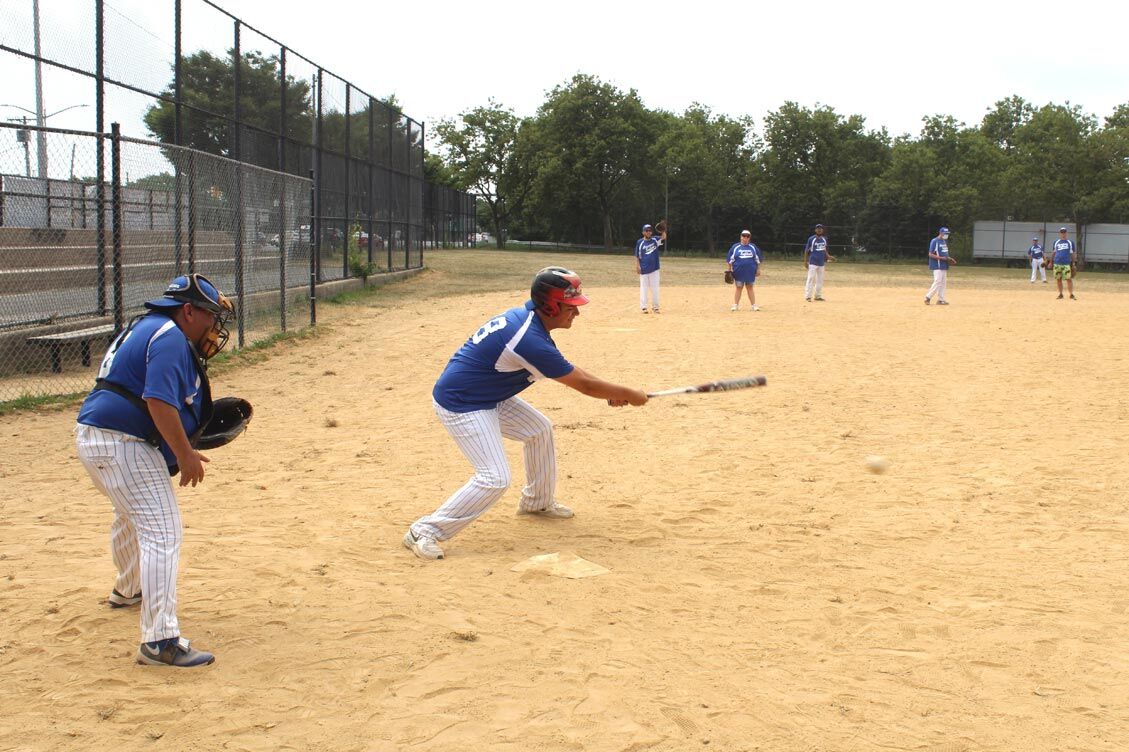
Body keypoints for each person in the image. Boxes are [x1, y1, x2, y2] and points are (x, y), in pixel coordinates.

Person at [403, 267, 649, 560]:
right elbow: (583, 384)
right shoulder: (528, 339)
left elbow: (577, 373)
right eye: (571, 308)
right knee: (494, 478)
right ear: (551, 306)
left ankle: (537, 502)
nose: (577, 314)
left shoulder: (530, 323)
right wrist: (628, 393)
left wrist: (613, 392)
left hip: (486, 394)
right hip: (463, 403)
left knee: (538, 429)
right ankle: (424, 531)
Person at [74, 273, 235, 668]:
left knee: (130, 515)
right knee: (163, 530)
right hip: (121, 442)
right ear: (188, 311)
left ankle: (128, 589)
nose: (215, 327)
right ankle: (160, 640)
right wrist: (186, 454)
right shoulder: (170, 337)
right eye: (211, 317)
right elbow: (158, 402)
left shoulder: (146, 326)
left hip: (94, 435)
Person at [726, 230, 763, 311]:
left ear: (749, 238)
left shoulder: (753, 247)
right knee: (739, 287)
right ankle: (735, 305)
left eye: (747, 236)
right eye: (743, 236)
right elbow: (729, 260)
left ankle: (753, 305)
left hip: (750, 272)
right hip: (738, 271)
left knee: (750, 287)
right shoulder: (735, 247)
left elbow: (758, 260)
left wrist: (758, 269)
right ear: (740, 237)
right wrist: (729, 271)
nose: (745, 238)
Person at [634, 223, 665, 313]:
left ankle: (655, 307)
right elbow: (637, 255)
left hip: (654, 269)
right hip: (644, 269)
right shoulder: (640, 242)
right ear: (643, 232)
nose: (648, 232)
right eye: (646, 230)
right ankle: (644, 307)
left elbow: (664, 237)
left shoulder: (655, 240)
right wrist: (637, 266)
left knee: (655, 289)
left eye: (650, 230)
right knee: (644, 288)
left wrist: (663, 231)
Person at [802, 223, 836, 301]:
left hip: (821, 263)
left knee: (820, 280)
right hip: (813, 262)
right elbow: (806, 251)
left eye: (820, 228)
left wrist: (829, 256)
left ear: (822, 230)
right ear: (815, 230)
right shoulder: (811, 239)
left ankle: (818, 296)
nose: (819, 229)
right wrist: (805, 261)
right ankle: (808, 296)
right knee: (810, 279)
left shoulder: (824, 239)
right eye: (817, 228)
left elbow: (824, 250)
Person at [923, 226, 957, 305]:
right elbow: (930, 254)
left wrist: (950, 259)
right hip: (937, 265)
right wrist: (942, 258)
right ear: (940, 233)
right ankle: (928, 297)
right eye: (945, 233)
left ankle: (940, 300)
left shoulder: (944, 241)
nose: (946, 235)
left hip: (944, 265)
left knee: (943, 283)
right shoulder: (934, 241)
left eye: (947, 234)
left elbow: (944, 253)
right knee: (938, 281)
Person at [1050, 226, 1077, 300]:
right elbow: (1054, 253)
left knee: (1069, 279)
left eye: (1064, 232)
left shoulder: (1070, 242)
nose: (1063, 234)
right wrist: (1051, 262)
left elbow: (1073, 254)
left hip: (1066, 263)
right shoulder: (1056, 242)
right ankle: (1060, 294)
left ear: (1066, 233)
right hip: (1057, 263)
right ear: (1059, 233)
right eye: (1062, 232)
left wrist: (1074, 263)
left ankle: (1071, 294)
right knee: (1058, 279)